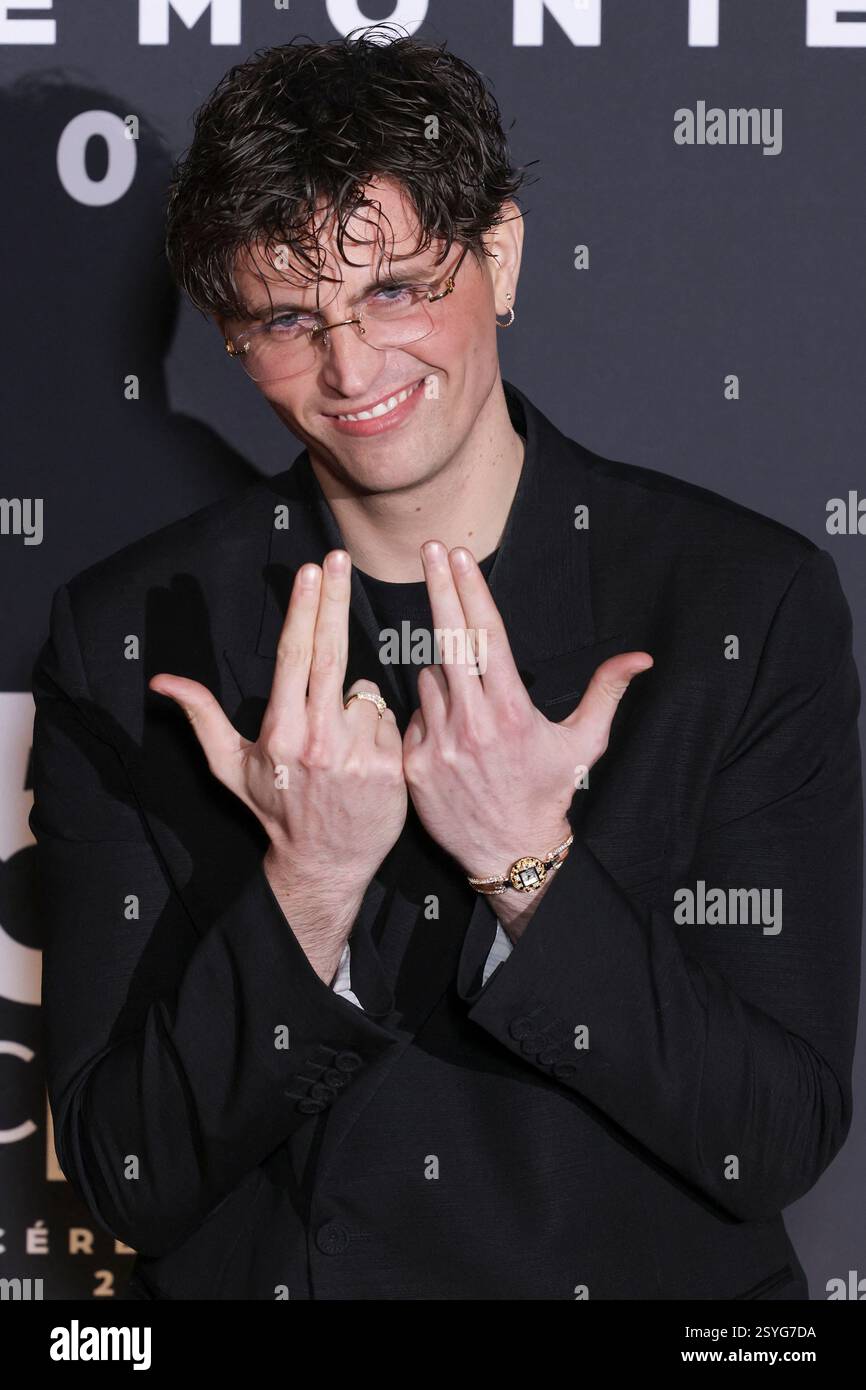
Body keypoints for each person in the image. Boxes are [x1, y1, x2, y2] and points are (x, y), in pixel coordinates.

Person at [31, 28, 862, 1301]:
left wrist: (529, 869)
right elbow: (124, 1177)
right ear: (226, 333)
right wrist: (305, 888)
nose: (352, 368)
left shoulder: (737, 601)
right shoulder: (137, 636)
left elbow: (774, 1134)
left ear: (501, 255)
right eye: (288, 320)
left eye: (396, 291)